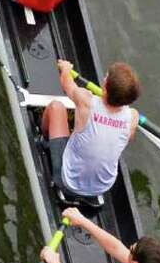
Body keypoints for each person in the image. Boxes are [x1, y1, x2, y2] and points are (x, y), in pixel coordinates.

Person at [42, 59, 140, 200]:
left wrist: (65, 68)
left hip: (67, 182)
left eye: (106, 76)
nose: (104, 77)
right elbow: (128, 137)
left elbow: (66, 83)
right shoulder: (132, 117)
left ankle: (44, 140)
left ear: (105, 87)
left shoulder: (86, 100)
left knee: (56, 107)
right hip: (101, 189)